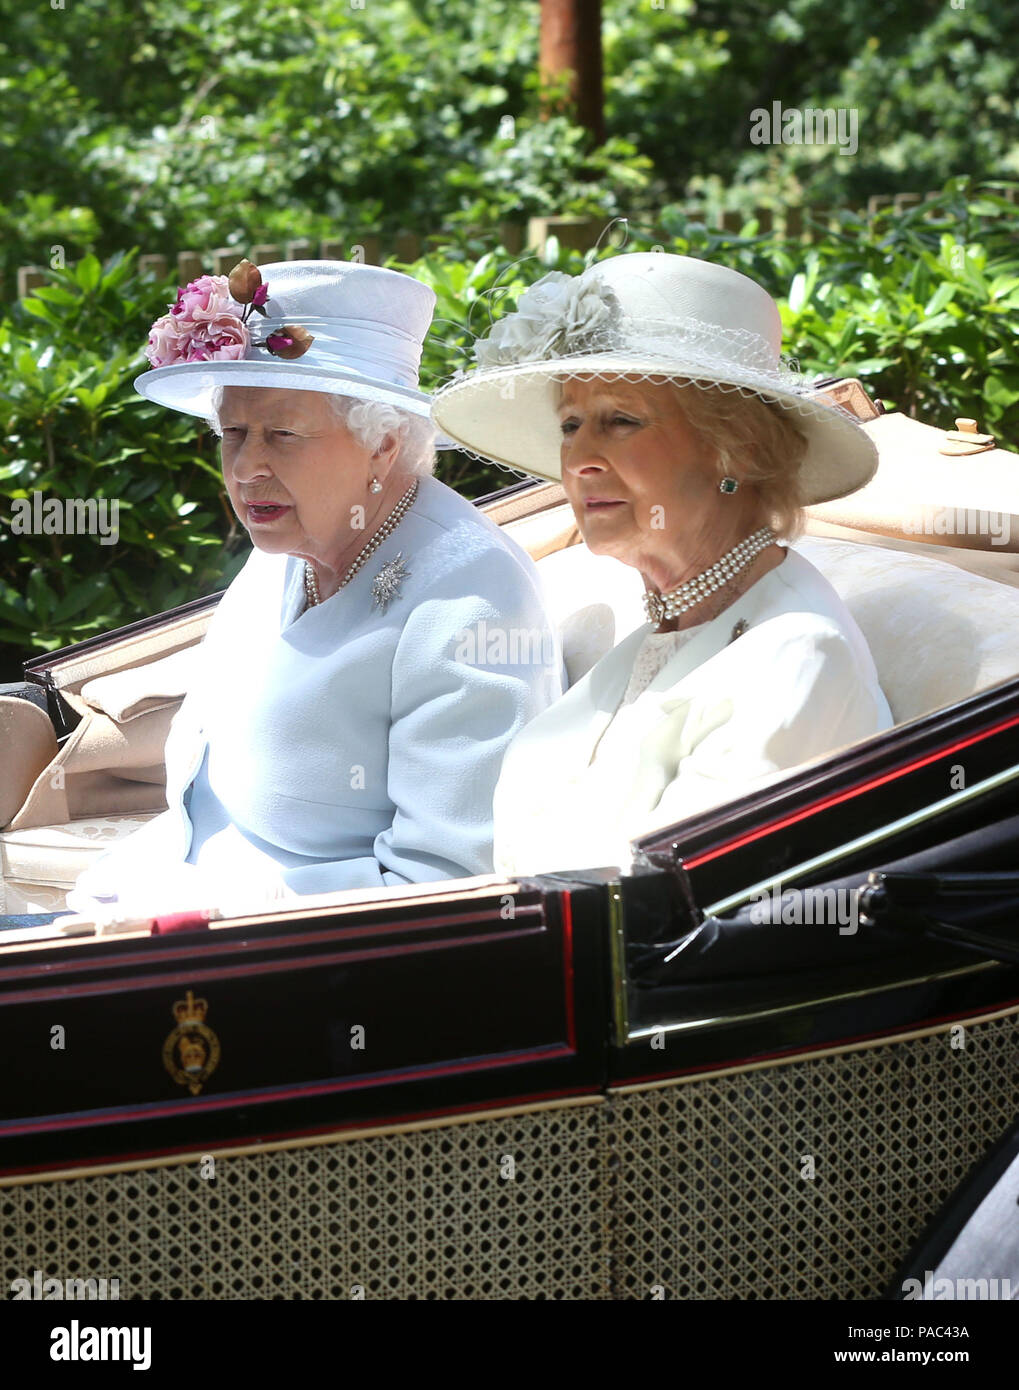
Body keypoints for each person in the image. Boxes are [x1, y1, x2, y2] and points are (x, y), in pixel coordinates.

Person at [67, 259, 563, 917]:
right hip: (160, 890)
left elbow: (446, 887)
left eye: (282, 435)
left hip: (305, 964)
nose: (246, 469)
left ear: (382, 444)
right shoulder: (289, 547)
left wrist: (211, 911)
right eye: (234, 433)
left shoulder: (473, 605)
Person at [432, 251, 893, 875]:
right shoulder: (668, 628)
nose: (580, 460)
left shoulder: (798, 657)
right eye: (571, 425)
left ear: (736, 449)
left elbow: (663, 926)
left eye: (620, 420)